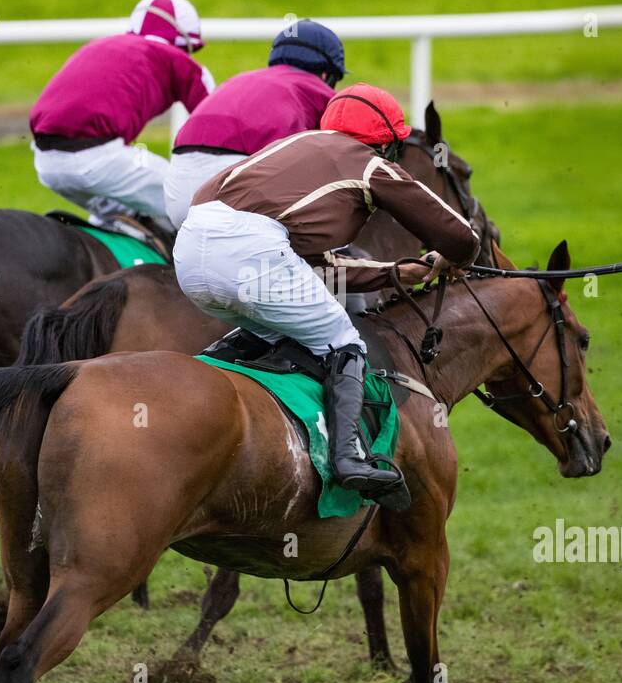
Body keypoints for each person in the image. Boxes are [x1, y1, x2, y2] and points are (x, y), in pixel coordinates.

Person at [174, 84, 480, 510]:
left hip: (191, 250)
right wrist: (453, 257)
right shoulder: (369, 163)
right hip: (252, 249)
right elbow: (459, 235)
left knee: (267, 332)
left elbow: (319, 269)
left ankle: (185, 392)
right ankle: (349, 458)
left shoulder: (294, 147)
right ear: (384, 142)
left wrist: (395, 272)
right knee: (343, 339)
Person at [29, 0, 214, 232]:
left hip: (46, 164)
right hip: (99, 161)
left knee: (122, 221)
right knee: (204, 208)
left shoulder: (99, 45)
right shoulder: (179, 61)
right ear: (183, 43)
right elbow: (216, 129)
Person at [164, 19, 346, 228]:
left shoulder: (240, 79)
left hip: (178, 191)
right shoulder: (319, 91)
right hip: (237, 196)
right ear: (326, 74)